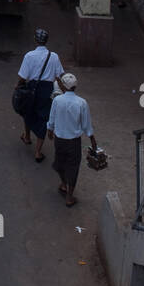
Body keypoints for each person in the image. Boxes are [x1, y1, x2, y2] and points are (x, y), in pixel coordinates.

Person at [48, 73, 97, 208]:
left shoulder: (57, 100)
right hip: (74, 142)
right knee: (73, 167)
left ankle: (63, 183)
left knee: (60, 163)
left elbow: (51, 118)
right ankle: (69, 196)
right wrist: (92, 138)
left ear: (63, 85)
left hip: (60, 140)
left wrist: (49, 130)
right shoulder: (82, 103)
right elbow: (86, 124)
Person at [16, 28, 64, 160]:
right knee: (43, 117)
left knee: (27, 111)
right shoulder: (54, 57)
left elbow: (22, 77)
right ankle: (38, 152)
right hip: (47, 90)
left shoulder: (29, 56)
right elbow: (60, 76)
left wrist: (17, 87)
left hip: (31, 88)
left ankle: (27, 136)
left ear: (35, 40)